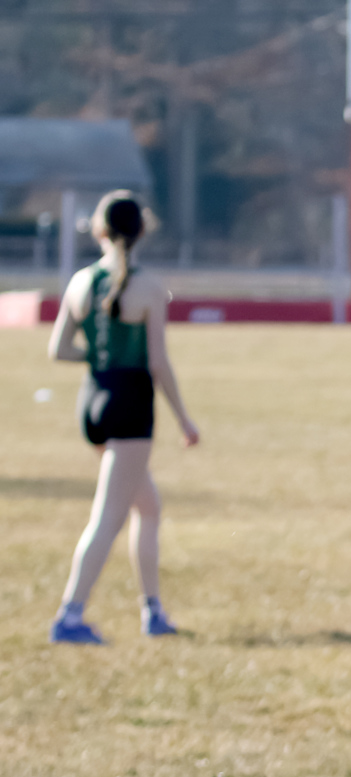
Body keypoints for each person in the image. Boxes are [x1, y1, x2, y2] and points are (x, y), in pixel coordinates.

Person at [46, 191, 200, 645]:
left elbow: (59, 349)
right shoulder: (149, 286)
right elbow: (158, 362)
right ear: (142, 231)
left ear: (99, 231)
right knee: (109, 515)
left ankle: (153, 610)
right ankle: (70, 615)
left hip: (93, 400)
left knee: (147, 506)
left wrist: (99, 353)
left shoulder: (80, 282)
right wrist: (185, 421)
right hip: (131, 405)